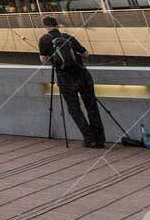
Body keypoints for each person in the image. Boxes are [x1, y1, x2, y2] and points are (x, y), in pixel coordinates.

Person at [39, 17, 105, 148]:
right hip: (82, 75)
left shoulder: (44, 40)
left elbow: (43, 60)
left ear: (45, 26)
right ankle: (99, 139)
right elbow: (86, 54)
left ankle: (89, 139)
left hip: (65, 79)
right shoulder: (68, 37)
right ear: (57, 25)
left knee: (74, 109)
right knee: (91, 107)